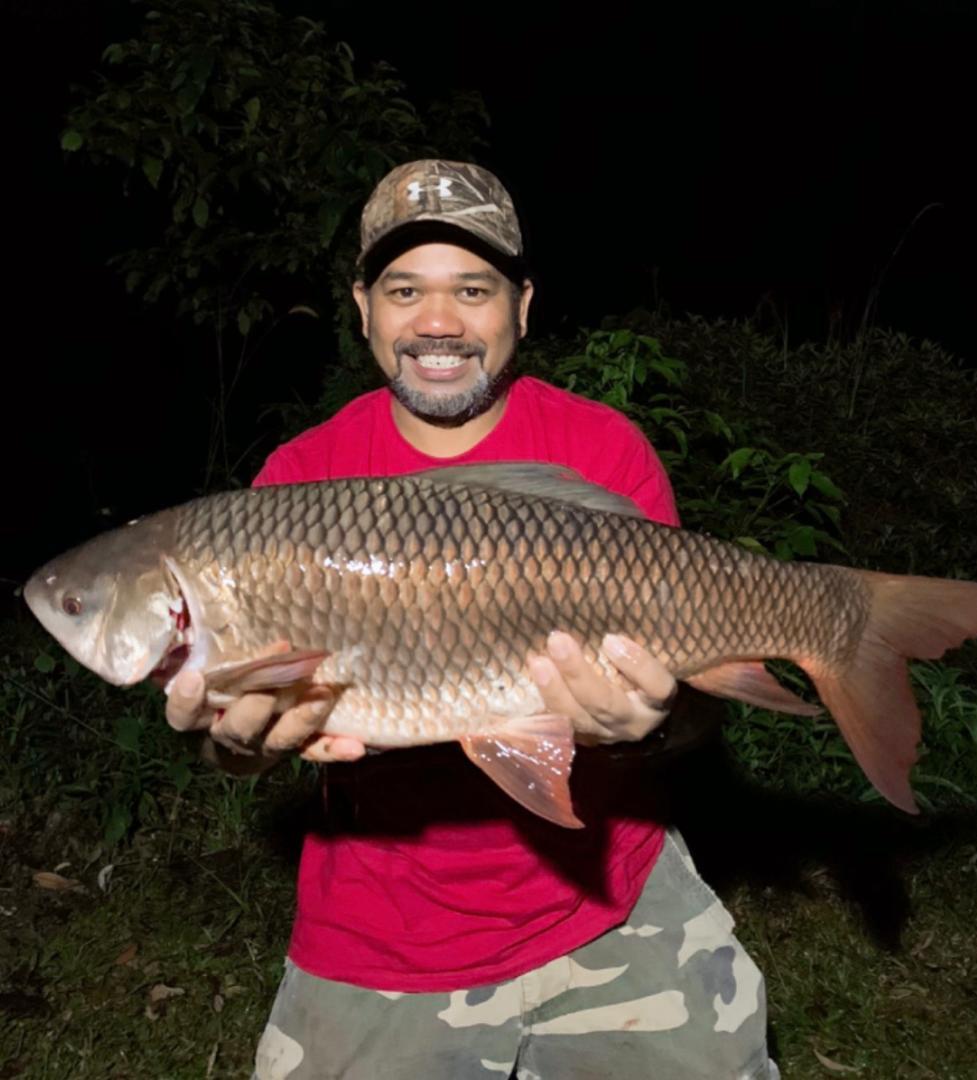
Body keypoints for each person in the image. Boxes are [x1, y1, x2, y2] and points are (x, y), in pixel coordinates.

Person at [166, 161, 778, 1079]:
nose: (438, 322)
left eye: (473, 289)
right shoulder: (299, 479)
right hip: (383, 929)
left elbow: (691, 705)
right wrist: (235, 745)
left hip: (610, 893)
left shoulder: (602, 451)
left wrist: (645, 730)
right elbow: (237, 740)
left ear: (521, 307)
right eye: (405, 290)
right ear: (363, 308)